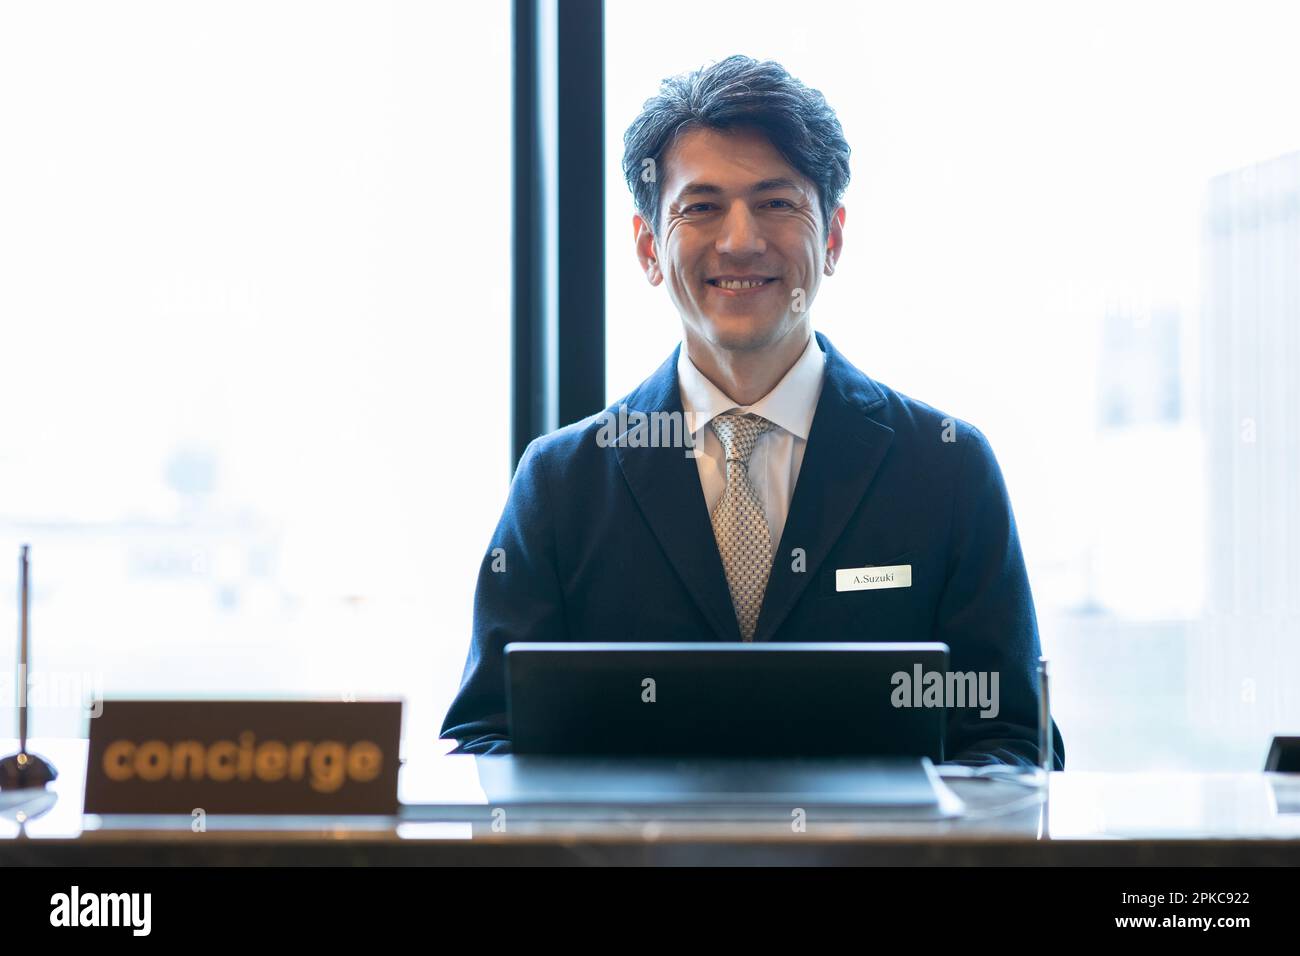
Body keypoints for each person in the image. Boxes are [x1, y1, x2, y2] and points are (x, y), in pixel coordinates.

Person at [441, 55, 1064, 768]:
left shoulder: (948, 467)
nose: (740, 241)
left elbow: (1011, 738)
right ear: (649, 248)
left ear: (831, 237)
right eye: (701, 207)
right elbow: (487, 740)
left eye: (776, 203)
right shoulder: (560, 484)